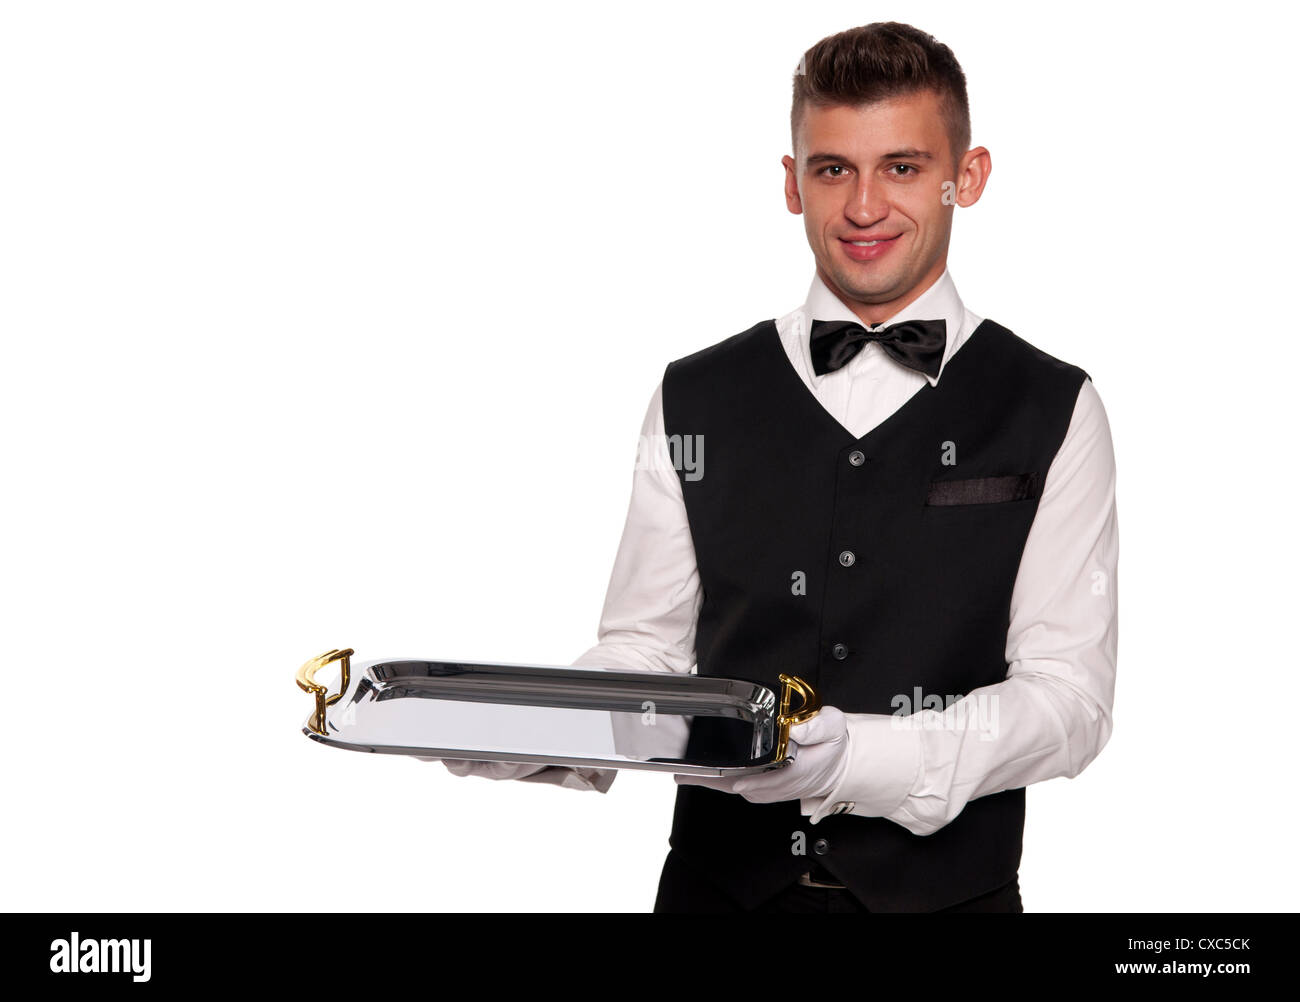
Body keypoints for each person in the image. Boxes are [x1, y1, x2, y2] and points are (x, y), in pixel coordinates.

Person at [434, 20, 1118, 913]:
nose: (865, 206)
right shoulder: (693, 394)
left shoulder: (1055, 406)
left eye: (903, 167)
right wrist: (549, 729)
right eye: (834, 169)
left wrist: (864, 758)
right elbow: (648, 648)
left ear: (969, 176)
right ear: (793, 184)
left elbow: (1068, 702)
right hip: (714, 896)